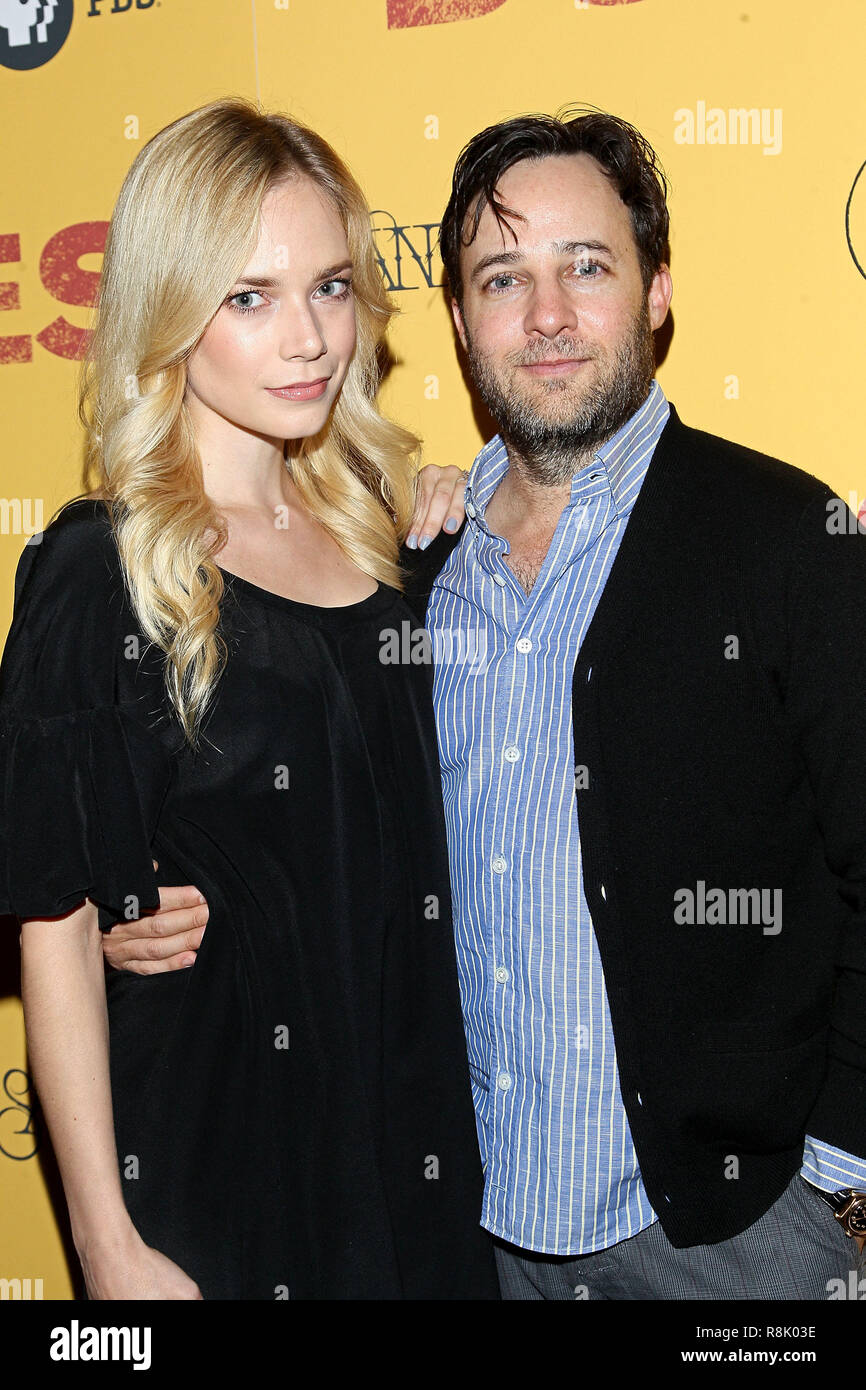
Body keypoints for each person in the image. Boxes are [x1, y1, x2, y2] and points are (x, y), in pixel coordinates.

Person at [115, 105, 866, 1301]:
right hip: (465, 1239)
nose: (550, 315)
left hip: (731, 1242)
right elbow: (301, 837)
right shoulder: (400, 574)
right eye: (503, 277)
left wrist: (827, 1172)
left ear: (657, 289)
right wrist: (130, 911)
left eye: (587, 266)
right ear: (458, 322)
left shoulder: (786, 541)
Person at [0, 96, 499, 1301]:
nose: (308, 340)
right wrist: (108, 1246)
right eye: (249, 298)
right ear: (170, 315)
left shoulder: (393, 547)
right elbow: (56, 924)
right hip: (215, 1161)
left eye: (330, 287)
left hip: (412, 1143)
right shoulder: (95, 571)